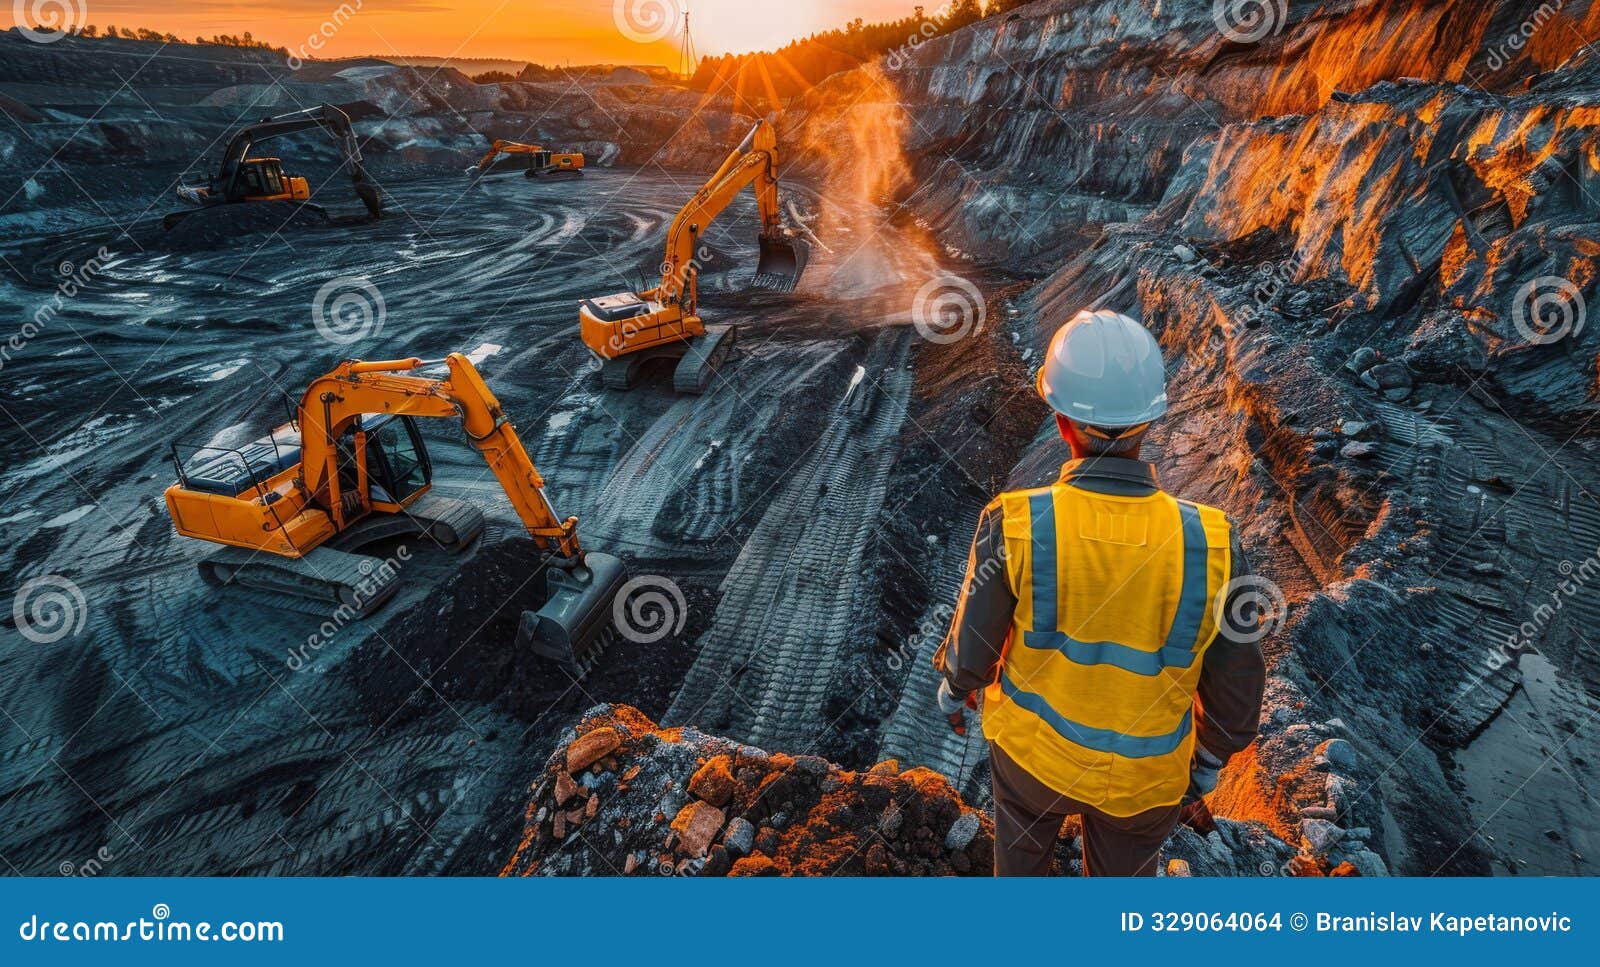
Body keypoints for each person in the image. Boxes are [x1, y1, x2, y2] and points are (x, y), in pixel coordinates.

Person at [934, 309, 1266, 876]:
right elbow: (1236, 679)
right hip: (1148, 782)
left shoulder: (1017, 521)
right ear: (1149, 424)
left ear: (1062, 422)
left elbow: (976, 643)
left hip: (1033, 763)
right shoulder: (1213, 541)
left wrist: (954, 689)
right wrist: (1207, 761)